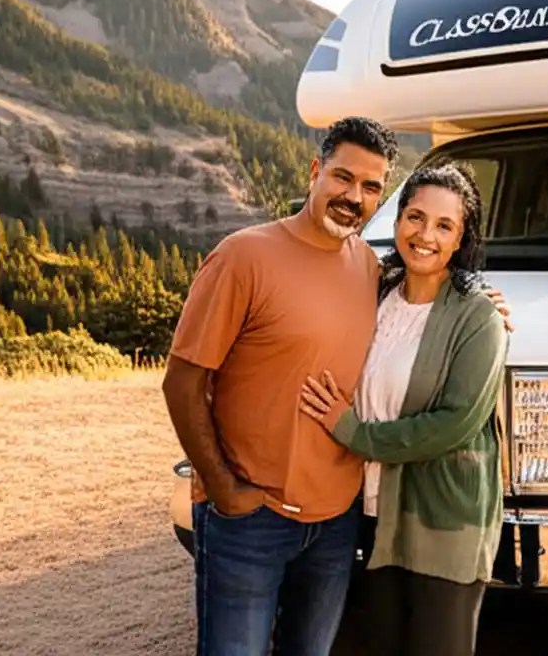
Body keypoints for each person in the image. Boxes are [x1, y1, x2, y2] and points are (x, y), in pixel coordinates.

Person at [162, 117, 507, 656]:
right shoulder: (250, 256)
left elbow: (447, 390)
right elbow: (182, 380)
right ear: (315, 170)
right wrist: (219, 483)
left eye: (371, 187)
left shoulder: (370, 269)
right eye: (343, 178)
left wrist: (485, 302)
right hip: (254, 520)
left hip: (340, 526)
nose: (354, 197)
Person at [298, 160, 508, 656]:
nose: (425, 235)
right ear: (396, 222)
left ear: (461, 239)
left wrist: (354, 434)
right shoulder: (373, 294)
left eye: (444, 225)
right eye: (415, 217)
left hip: (443, 522)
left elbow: (454, 424)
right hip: (366, 514)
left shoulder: (479, 317)